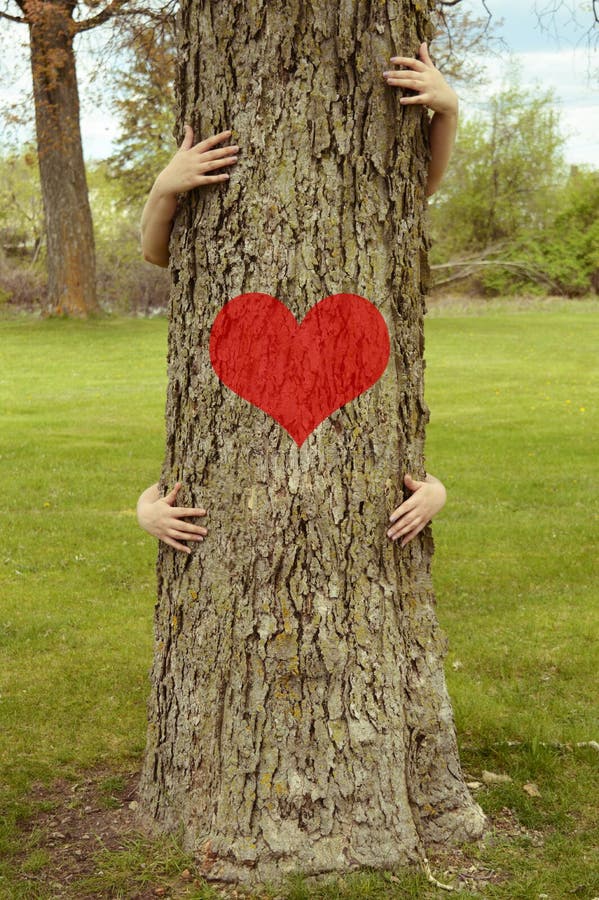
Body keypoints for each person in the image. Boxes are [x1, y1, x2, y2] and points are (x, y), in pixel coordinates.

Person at [137, 41, 456, 553]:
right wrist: (165, 187)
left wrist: (448, 110)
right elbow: (157, 252)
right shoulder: (221, 280)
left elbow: (415, 188)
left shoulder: (373, 254)